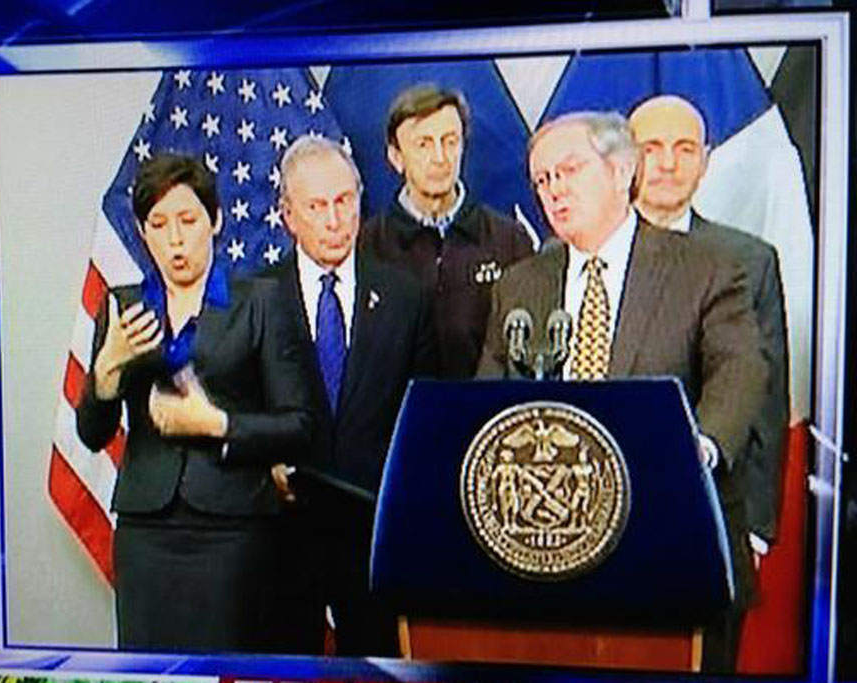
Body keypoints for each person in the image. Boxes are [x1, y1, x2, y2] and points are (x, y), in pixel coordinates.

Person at [477, 111, 767, 674]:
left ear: (620, 172)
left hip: (678, 544)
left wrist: (698, 451)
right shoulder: (521, 284)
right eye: (541, 181)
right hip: (556, 557)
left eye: (568, 171)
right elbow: (492, 402)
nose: (553, 191)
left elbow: (741, 370)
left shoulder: (706, 267)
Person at [76, 154, 314, 653]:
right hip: (146, 532)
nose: (176, 240)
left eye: (188, 221)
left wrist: (216, 424)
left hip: (233, 532)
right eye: (159, 225)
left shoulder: (261, 302)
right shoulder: (123, 308)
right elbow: (92, 433)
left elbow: (298, 424)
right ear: (142, 232)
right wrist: (107, 368)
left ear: (216, 220)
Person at [268, 135, 437, 656]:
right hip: (281, 539)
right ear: (288, 215)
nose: (334, 220)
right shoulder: (254, 298)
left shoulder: (406, 296)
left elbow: (423, 416)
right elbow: (238, 413)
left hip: (375, 534)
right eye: (317, 207)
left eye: (345, 201)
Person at [628, 94, 789, 562]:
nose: (667, 164)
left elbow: (766, 397)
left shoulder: (748, 260)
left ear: (706, 160)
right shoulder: (582, 256)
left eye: (685, 149)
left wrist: (756, 524)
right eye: (651, 148)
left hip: (712, 512)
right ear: (625, 160)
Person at [360, 84, 535, 378]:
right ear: (396, 157)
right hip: (399, 420)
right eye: (424, 144)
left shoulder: (510, 240)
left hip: (489, 416)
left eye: (450, 141)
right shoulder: (368, 245)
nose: (440, 157)